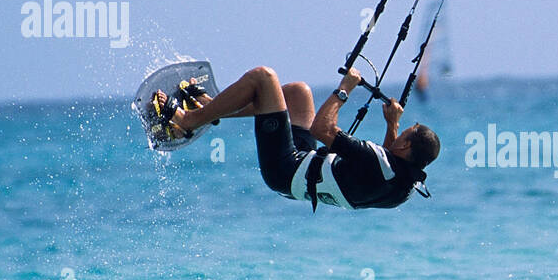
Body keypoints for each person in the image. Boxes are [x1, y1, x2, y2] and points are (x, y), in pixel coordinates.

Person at [151, 65, 439, 211]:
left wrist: (344, 89)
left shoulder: (376, 159)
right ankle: (212, 110)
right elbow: (385, 165)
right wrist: (392, 126)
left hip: (286, 167)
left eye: (405, 133)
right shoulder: (404, 187)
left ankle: (186, 121)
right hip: (303, 169)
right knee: (298, 92)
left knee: (264, 78)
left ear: (406, 145)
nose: (400, 133)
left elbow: (321, 129)